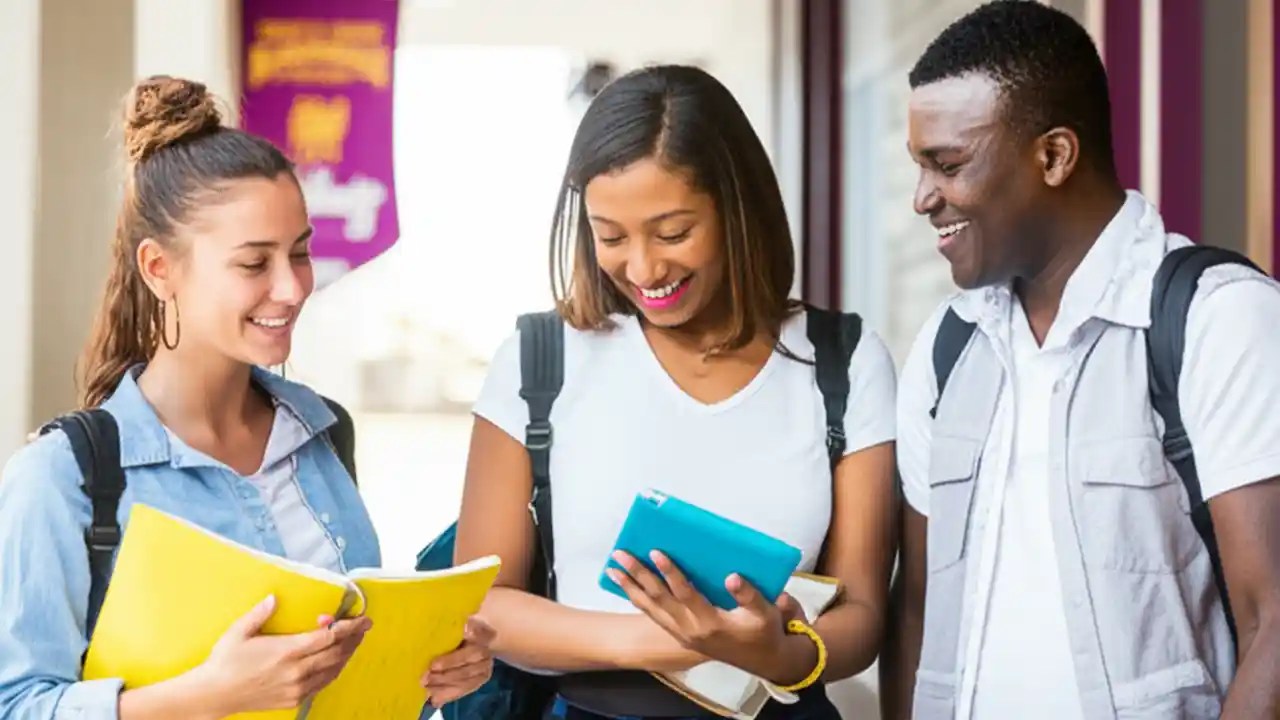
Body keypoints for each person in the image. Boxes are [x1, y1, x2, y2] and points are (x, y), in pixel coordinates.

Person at [0, 76, 494, 719]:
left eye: (300, 252)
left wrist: (433, 671)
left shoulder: (322, 437)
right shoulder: (63, 476)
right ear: (159, 269)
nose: (291, 288)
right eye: (254, 264)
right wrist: (209, 697)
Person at [450, 64, 899, 720]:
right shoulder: (538, 362)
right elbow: (481, 601)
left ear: (737, 209)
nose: (643, 268)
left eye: (672, 233)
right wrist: (671, 641)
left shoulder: (843, 362)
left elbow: (862, 613)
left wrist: (780, 654)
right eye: (610, 236)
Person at [881, 2, 1280, 719]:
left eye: (948, 164)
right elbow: (914, 612)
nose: (923, 198)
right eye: (919, 166)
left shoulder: (1218, 318)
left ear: (1055, 156)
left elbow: (1274, 619)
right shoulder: (946, 348)